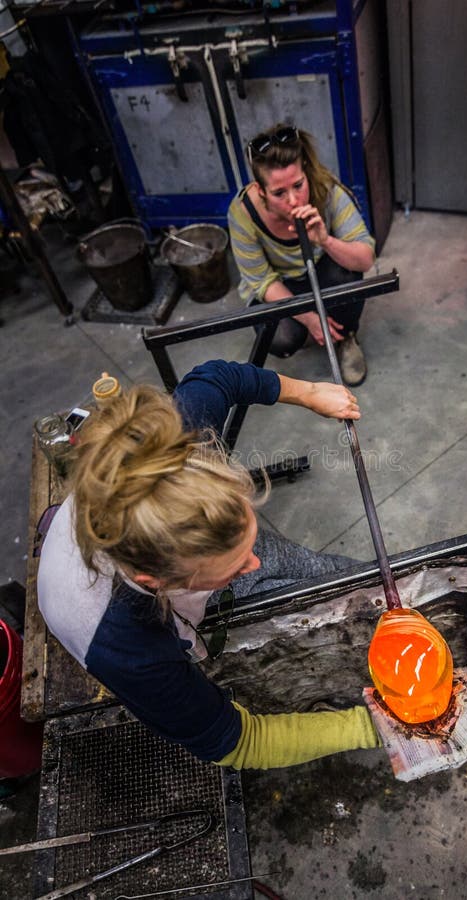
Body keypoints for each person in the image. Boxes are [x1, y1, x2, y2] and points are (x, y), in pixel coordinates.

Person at [38, 360, 381, 770]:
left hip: (174, 568)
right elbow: (238, 742)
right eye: (236, 565)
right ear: (161, 580)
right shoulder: (127, 648)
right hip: (130, 612)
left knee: (328, 572)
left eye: (247, 538)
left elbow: (218, 376)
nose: (255, 563)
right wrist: (372, 727)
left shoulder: (177, 454)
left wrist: (308, 392)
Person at [227, 124, 375, 387]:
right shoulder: (242, 213)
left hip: (320, 270)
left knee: (348, 272)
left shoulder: (327, 191)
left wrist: (325, 241)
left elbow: (365, 258)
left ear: (306, 172)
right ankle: (313, 329)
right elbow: (262, 281)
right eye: (279, 193)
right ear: (261, 192)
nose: (294, 200)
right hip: (280, 285)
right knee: (280, 338)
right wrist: (309, 318)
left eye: (298, 185)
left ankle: (345, 336)